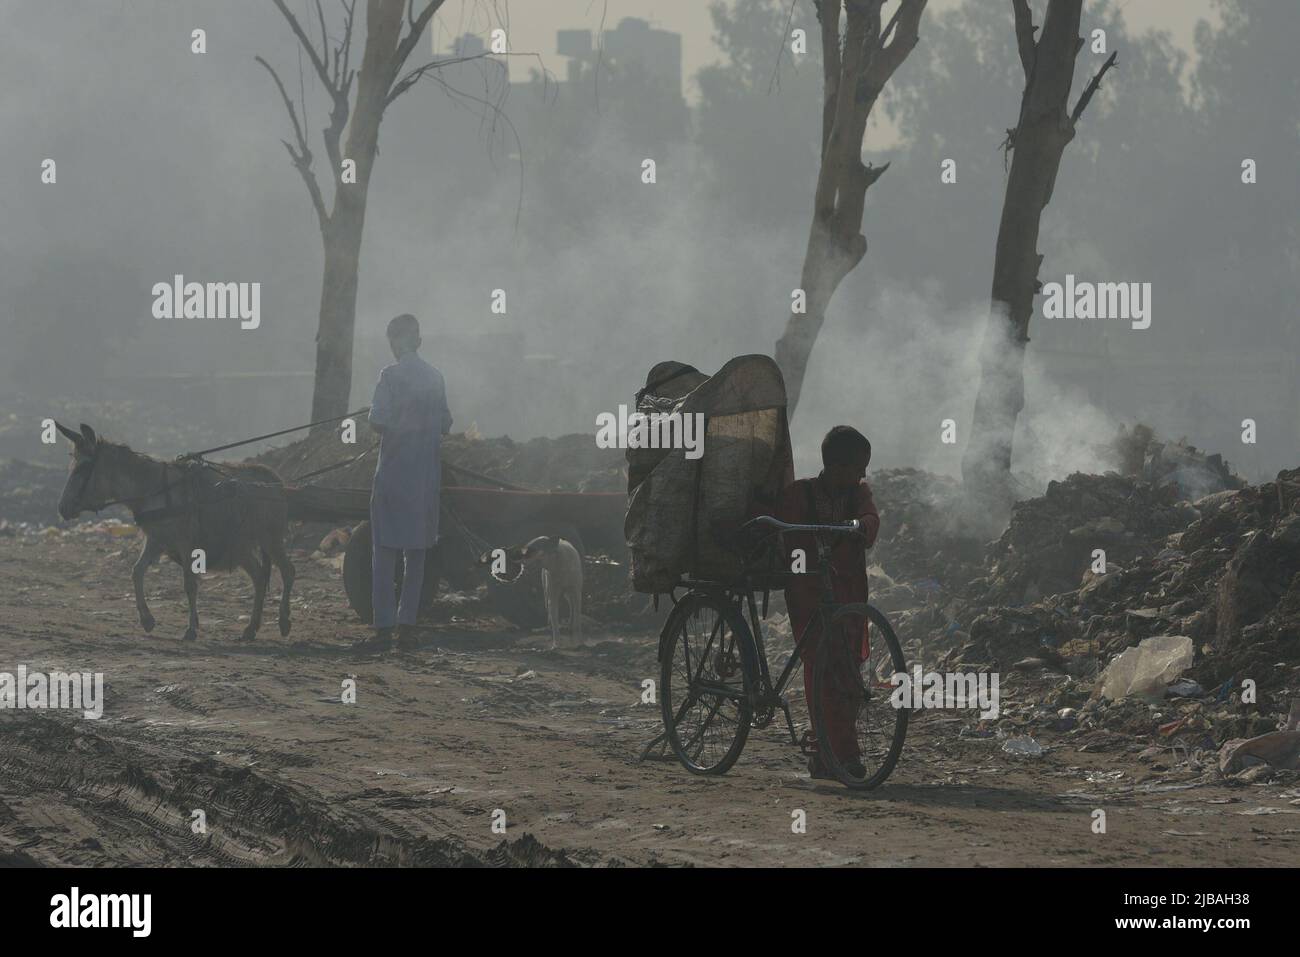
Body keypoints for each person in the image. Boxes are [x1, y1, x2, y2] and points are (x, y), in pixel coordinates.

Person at [776, 425, 880, 779]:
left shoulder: (858, 494)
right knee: (826, 669)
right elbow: (786, 538)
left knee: (848, 670)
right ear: (837, 467)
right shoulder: (800, 495)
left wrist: (861, 526)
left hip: (848, 593)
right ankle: (842, 757)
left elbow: (870, 519)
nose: (863, 474)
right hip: (809, 594)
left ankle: (827, 755)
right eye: (858, 467)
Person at [360, 314, 453, 652]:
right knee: (416, 555)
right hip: (425, 480)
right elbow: (445, 423)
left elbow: (377, 421)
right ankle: (407, 627)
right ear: (419, 341)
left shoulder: (390, 376)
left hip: (393, 477)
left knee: (383, 552)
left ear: (396, 342)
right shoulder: (435, 377)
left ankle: (384, 629)